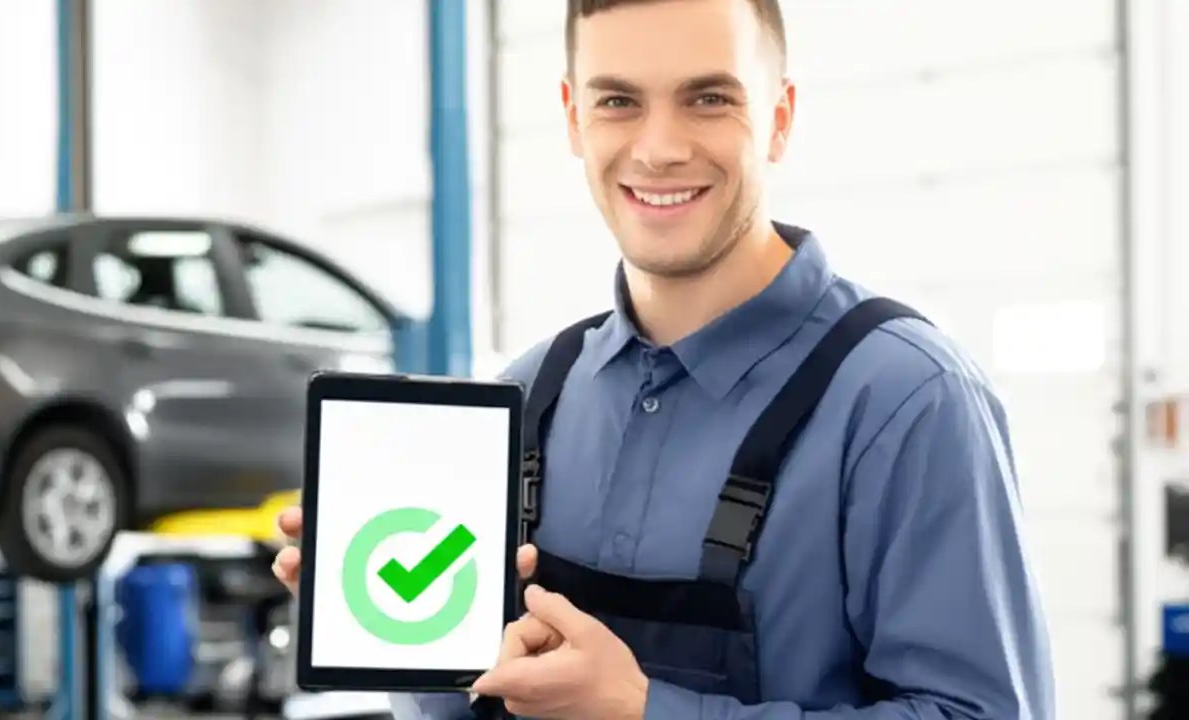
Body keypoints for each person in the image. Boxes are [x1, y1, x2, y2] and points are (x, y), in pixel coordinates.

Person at [273, 0, 1056, 717]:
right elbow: (468, 706)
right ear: (574, 119)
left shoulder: (906, 401)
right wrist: (390, 631)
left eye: (709, 98)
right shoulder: (531, 391)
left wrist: (647, 710)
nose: (659, 148)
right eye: (618, 101)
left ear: (779, 118)